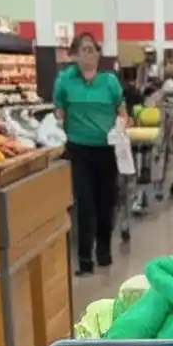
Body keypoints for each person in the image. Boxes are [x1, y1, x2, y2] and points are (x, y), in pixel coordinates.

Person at [54, 32, 127, 275]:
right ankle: (84, 260)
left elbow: (122, 111)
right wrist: (55, 131)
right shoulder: (64, 81)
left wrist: (120, 126)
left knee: (106, 203)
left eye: (94, 49)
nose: (91, 53)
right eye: (85, 49)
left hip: (106, 149)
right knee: (84, 204)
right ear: (74, 54)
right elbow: (60, 113)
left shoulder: (109, 82)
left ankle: (104, 252)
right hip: (78, 149)